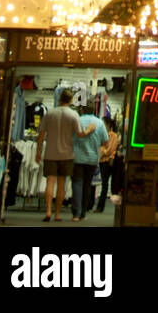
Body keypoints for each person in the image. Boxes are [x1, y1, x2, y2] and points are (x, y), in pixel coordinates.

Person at [35, 89, 97, 222]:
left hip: (50, 153)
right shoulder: (73, 115)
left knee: (50, 183)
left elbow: (41, 134)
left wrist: (38, 151)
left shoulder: (50, 113)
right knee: (61, 185)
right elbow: (80, 134)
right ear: (70, 101)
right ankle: (57, 214)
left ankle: (48, 211)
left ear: (59, 99)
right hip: (67, 155)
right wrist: (89, 130)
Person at [71, 107, 108, 221]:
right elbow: (105, 141)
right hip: (92, 159)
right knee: (87, 185)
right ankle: (83, 214)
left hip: (77, 157)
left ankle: (76, 214)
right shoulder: (100, 123)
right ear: (94, 111)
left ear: (82, 110)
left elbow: (70, 137)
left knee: (77, 183)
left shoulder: (77, 120)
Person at [95, 122, 118, 214]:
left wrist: (102, 152)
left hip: (107, 161)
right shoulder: (102, 134)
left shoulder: (113, 136)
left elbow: (110, 149)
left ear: (109, 126)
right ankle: (99, 206)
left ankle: (101, 206)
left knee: (105, 184)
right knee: (102, 183)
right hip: (101, 160)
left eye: (105, 124)